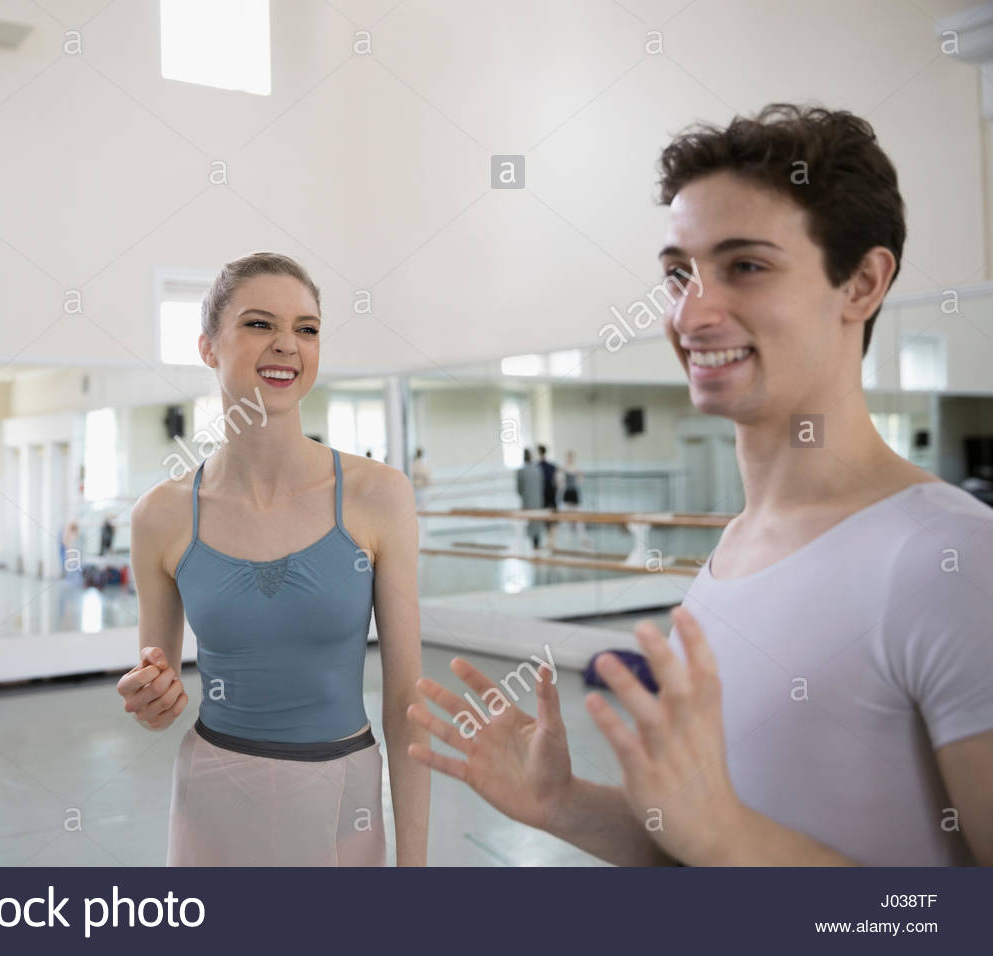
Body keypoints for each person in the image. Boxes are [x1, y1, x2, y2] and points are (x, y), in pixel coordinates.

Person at [407, 104, 993, 866]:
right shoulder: (736, 549)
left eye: (746, 266)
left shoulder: (953, 562)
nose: (692, 312)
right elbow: (702, 856)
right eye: (678, 274)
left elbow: (729, 845)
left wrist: (727, 836)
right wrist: (563, 804)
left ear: (862, 283)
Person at [117, 252, 429, 866]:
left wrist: (415, 871)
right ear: (208, 348)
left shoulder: (378, 495)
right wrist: (149, 699)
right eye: (260, 324)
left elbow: (405, 707)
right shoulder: (160, 515)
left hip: (340, 795)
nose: (288, 344)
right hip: (211, 797)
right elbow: (158, 694)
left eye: (306, 329)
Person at [560, 449, 591, 548]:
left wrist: (579, 475)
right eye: (568, 457)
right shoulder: (563, 468)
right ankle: (567, 537)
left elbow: (580, 481)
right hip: (567, 494)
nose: (569, 459)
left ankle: (583, 537)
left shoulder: (577, 468)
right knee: (566, 518)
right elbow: (560, 482)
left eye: (570, 457)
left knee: (579, 518)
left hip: (575, 494)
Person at [515, 448, 545, 550]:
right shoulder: (538, 469)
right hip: (538, 500)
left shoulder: (521, 471)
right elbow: (542, 486)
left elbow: (519, 489)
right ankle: (536, 543)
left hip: (527, 500)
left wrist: (524, 496)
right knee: (536, 521)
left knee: (529, 521)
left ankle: (530, 543)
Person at [411, 447, 432, 547]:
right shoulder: (424, 466)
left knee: (416, 515)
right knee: (423, 515)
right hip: (422, 491)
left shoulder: (412, 465)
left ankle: (417, 539)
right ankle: (422, 539)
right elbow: (428, 481)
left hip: (414, 490)